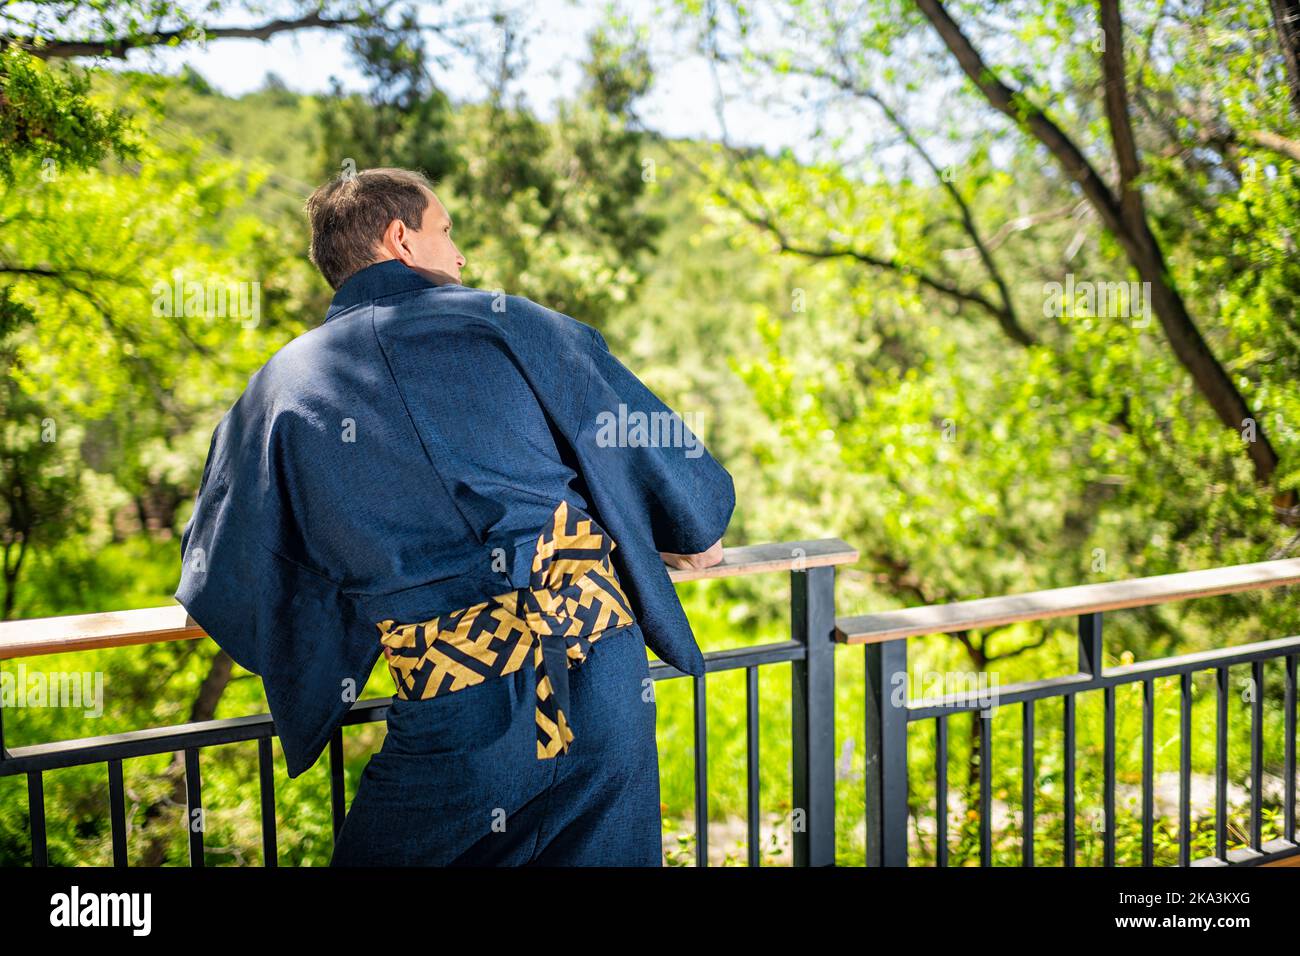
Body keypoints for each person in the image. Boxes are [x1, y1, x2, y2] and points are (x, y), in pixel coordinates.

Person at [174, 166, 735, 866]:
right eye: (446, 231)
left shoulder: (276, 392)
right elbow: (671, 473)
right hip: (604, 678)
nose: (460, 254)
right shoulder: (518, 325)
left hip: (457, 699)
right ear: (400, 238)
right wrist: (681, 534)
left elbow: (229, 580)